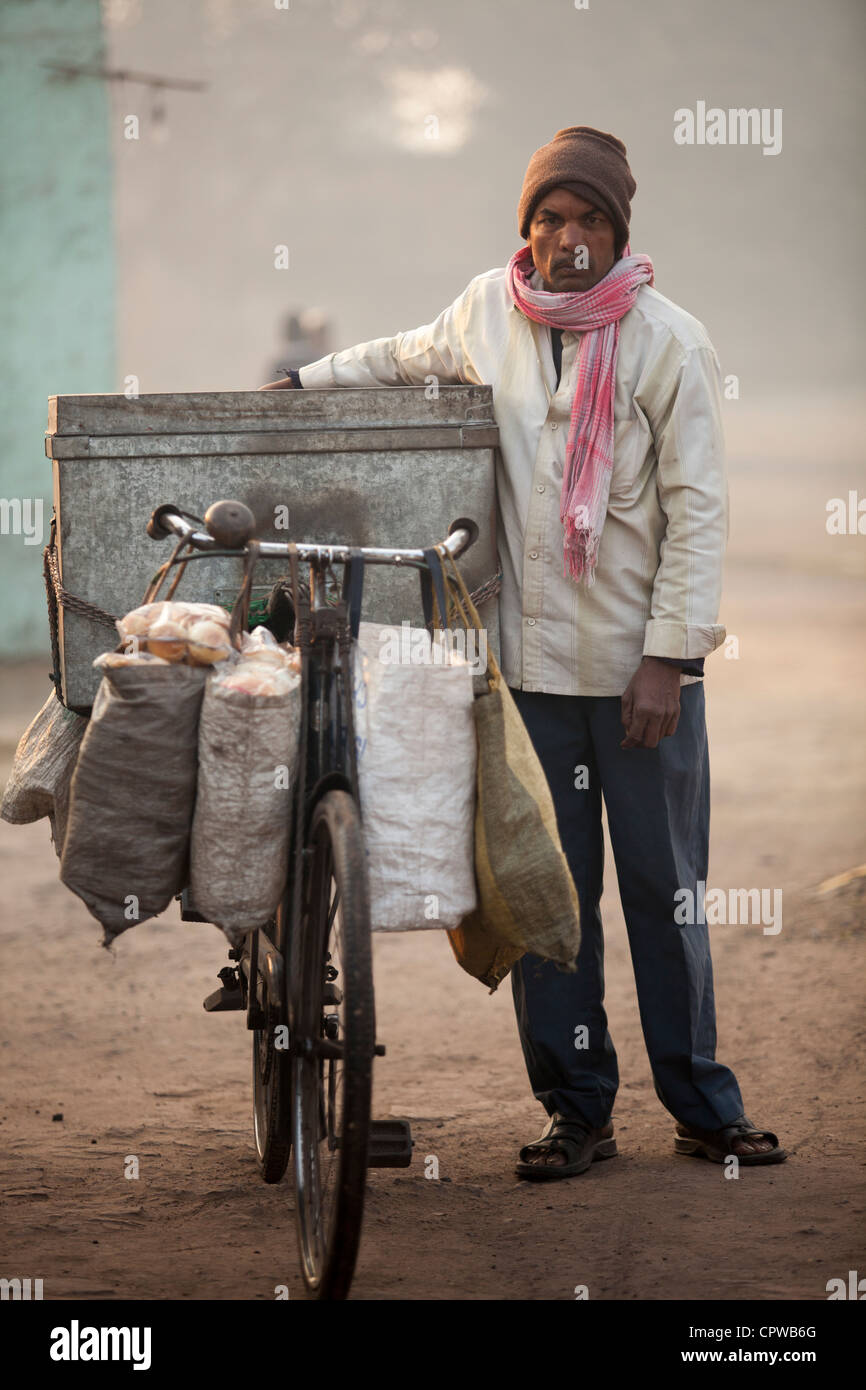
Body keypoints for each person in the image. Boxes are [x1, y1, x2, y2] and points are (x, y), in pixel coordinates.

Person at [261, 125, 786, 1177]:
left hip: (637, 680)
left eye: (588, 219)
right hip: (526, 680)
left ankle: (699, 1102)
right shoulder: (484, 312)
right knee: (548, 900)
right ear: (526, 228)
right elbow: (398, 356)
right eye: (549, 217)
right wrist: (299, 385)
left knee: (664, 890)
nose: (566, 237)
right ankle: (575, 1108)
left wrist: (668, 663)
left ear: (617, 231)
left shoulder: (666, 342)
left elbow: (697, 513)